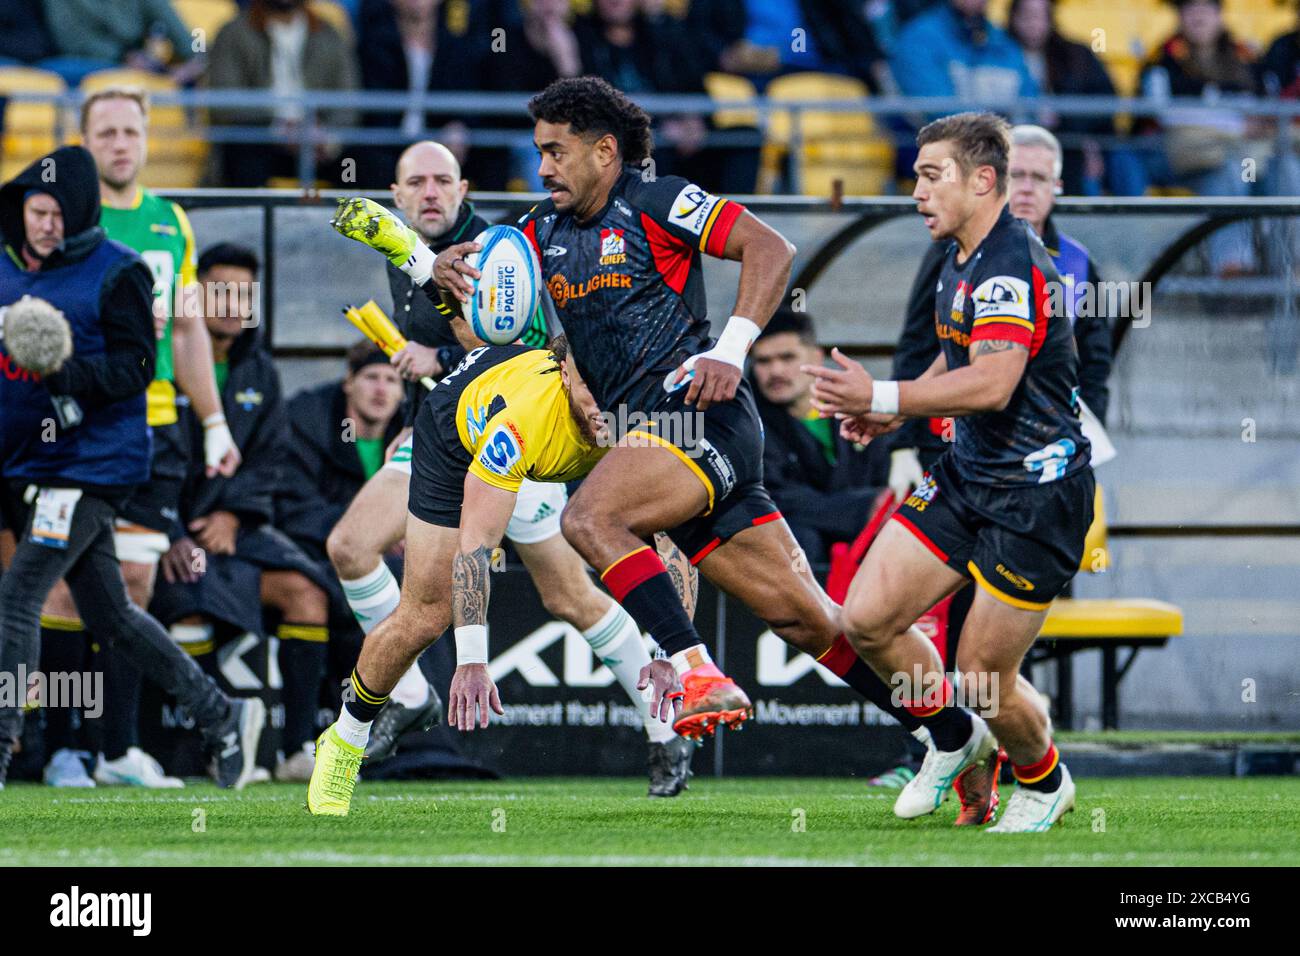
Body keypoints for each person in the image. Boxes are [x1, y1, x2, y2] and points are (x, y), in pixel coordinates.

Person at [806, 112, 1095, 832]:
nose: (917, 191)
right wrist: (895, 417)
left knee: (984, 677)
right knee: (867, 618)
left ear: (983, 180)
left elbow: (994, 381)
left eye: (932, 176)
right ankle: (956, 736)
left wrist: (880, 395)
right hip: (969, 473)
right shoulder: (959, 256)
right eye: (916, 177)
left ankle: (1044, 777)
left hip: (1035, 493)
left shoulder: (1010, 263)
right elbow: (958, 358)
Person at [307, 335, 698, 814]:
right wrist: (471, 659)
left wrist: (673, 652)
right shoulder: (519, 425)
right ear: (564, 372)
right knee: (425, 617)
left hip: (537, 448)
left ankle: (664, 732)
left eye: (612, 389)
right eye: (589, 387)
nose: (603, 407)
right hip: (454, 443)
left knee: (571, 594)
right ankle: (344, 743)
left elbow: (677, 536)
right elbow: (475, 548)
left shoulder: (648, 412)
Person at [0, 145, 265, 790]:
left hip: (96, 464)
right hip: (27, 458)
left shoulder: (120, 272)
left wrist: (64, 372)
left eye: (57, 214)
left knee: (18, 596)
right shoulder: (9, 269)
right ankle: (222, 713)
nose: (45, 225)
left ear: (82, 213)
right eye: (36, 211)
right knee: (111, 613)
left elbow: (138, 369)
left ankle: (2, 746)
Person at [152, 243, 336, 783]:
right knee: (191, 597)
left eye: (242, 292)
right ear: (194, 294)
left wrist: (233, 516)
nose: (232, 302)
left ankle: (297, 748)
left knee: (307, 591)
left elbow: (270, 459)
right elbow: (146, 454)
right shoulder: (163, 363)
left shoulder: (261, 371)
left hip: (237, 532)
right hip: (168, 534)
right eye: (219, 289)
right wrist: (169, 530)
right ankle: (218, 742)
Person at [749, 308, 887, 565]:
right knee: (798, 539)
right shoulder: (747, 422)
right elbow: (772, 499)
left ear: (816, 358)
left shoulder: (856, 411)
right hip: (804, 555)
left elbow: (885, 480)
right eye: (763, 361)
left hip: (864, 552)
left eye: (787, 357)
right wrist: (863, 507)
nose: (775, 370)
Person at [1139, 0, 1258, 275]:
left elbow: (1259, 111)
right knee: (1230, 171)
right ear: (1180, 16)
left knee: (1282, 169)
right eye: (1191, 10)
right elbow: (1164, 115)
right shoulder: (1162, 59)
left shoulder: (1243, 58)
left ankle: (1288, 271)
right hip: (1173, 158)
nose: (1199, 17)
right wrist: (1233, 125)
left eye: (1206, 9)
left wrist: (1211, 120)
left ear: (1219, 15)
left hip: (1234, 159)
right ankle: (1233, 268)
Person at [1007, 125, 1113, 424]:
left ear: (1057, 187)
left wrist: (1091, 431)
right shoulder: (962, 250)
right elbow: (921, 343)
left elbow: (1096, 360)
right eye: (1016, 175)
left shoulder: (1079, 261)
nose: (1026, 187)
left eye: (1039, 177)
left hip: (1055, 428)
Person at [207, 0, 359, 187]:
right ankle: (249, 215)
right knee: (243, 151)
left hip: (316, 142)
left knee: (360, 161)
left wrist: (328, 139)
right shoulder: (234, 33)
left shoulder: (328, 34)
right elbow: (224, 104)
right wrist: (278, 127)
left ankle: (354, 215)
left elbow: (349, 101)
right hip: (261, 140)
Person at [1006, 0, 1146, 197]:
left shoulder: (1075, 55)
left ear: (1050, 17)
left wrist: (1084, 138)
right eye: (1026, 15)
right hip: (1021, 142)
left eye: (1039, 16)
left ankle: (1129, 223)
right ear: (1013, 17)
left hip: (1073, 139)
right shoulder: (996, 54)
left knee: (1121, 159)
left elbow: (1106, 100)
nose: (1032, 23)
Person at [890, 0, 1038, 102]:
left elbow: (1030, 104)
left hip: (1002, 142)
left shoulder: (1003, 42)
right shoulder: (919, 37)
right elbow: (936, 109)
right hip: (937, 145)